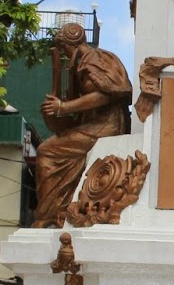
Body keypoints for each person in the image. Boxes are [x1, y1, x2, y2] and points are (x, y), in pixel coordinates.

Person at [32, 24, 132, 227]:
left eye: (65, 50)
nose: (66, 55)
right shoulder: (78, 66)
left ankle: (49, 214)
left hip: (106, 126)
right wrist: (55, 112)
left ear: (72, 44)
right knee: (51, 148)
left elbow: (107, 93)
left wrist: (63, 107)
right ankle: (56, 211)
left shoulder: (94, 59)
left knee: (46, 151)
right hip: (91, 125)